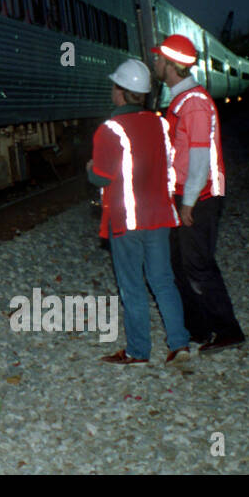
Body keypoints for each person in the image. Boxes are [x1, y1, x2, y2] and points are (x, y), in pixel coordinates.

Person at [87, 59, 191, 365]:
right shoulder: (161, 123)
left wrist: (89, 169)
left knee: (131, 285)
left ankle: (138, 351)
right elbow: (169, 164)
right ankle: (180, 344)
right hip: (160, 215)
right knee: (162, 280)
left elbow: (102, 176)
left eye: (114, 85)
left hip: (127, 219)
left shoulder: (110, 129)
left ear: (120, 91)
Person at [150, 34, 246, 352]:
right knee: (179, 262)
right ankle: (200, 328)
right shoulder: (183, 100)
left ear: (171, 65)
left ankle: (227, 330)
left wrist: (188, 202)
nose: (155, 64)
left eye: (159, 59)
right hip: (186, 195)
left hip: (200, 197)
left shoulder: (194, 103)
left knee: (198, 263)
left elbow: (200, 159)